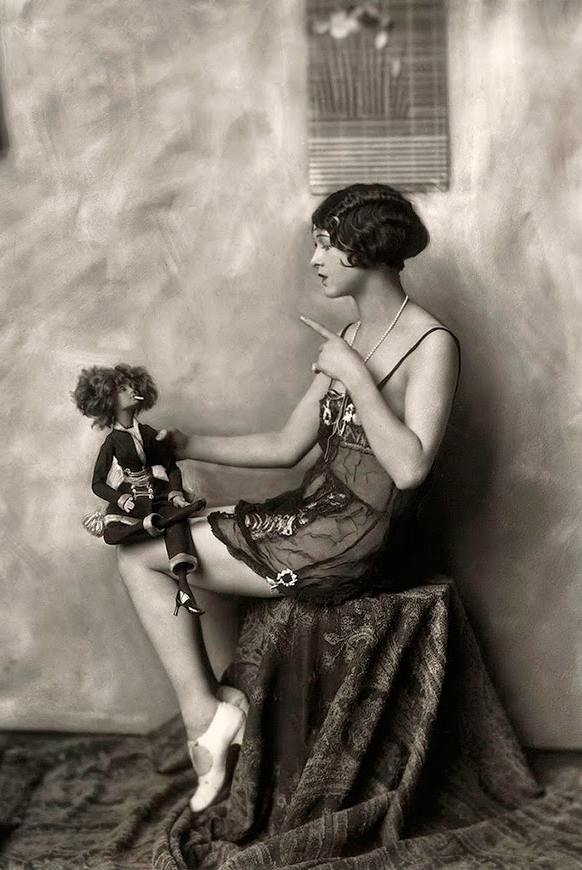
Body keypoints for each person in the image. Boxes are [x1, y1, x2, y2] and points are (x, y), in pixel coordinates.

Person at [116, 184, 461, 813]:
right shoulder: (353, 331)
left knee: (143, 558)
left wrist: (354, 375)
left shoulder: (432, 343)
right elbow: (286, 445)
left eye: (327, 244)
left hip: (360, 535)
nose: (315, 258)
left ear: (368, 246)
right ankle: (212, 718)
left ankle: (208, 723)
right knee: (147, 543)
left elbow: (411, 468)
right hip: (319, 510)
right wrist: (186, 444)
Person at [72, 363, 207, 617]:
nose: (132, 390)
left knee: (177, 523)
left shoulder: (148, 433)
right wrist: (120, 499)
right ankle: (147, 524)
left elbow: (171, 468)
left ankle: (183, 587)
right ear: (109, 399)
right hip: (131, 500)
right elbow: (97, 483)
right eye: (123, 388)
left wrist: (176, 493)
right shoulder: (112, 441)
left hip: (157, 493)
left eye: (132, 385)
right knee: (113, 534)